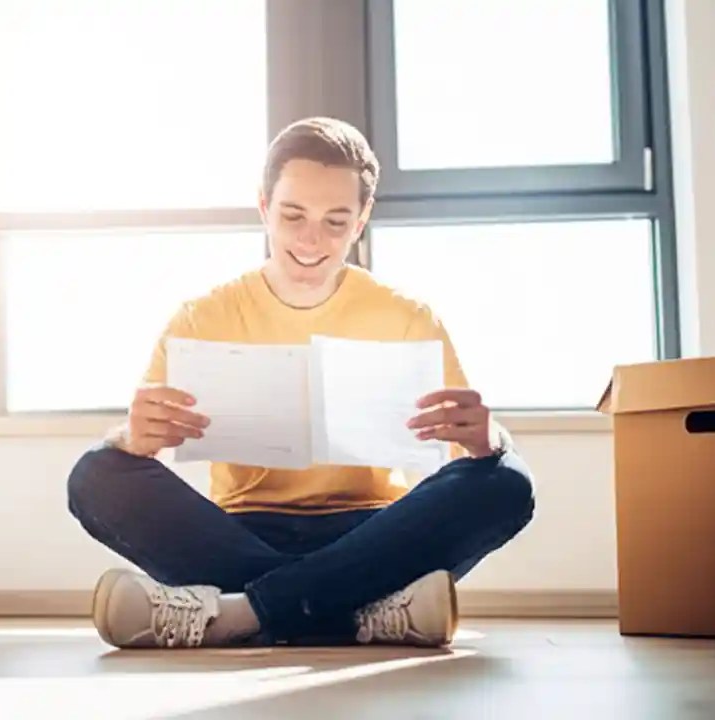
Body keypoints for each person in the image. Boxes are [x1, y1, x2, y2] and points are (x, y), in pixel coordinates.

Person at [66, 117, 535, 650]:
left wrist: (485, 439)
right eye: (293, 216)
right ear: (264, 207)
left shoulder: (408, 318)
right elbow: (136, 451)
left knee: (509, 481)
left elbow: (466, 459)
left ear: (362, 220)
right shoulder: (201, 317)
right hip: (241, 532)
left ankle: (239, 614)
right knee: (95, 474)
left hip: (373, 534)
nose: (312, 240)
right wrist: (131, 438)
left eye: (336, 222)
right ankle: (362, 612)